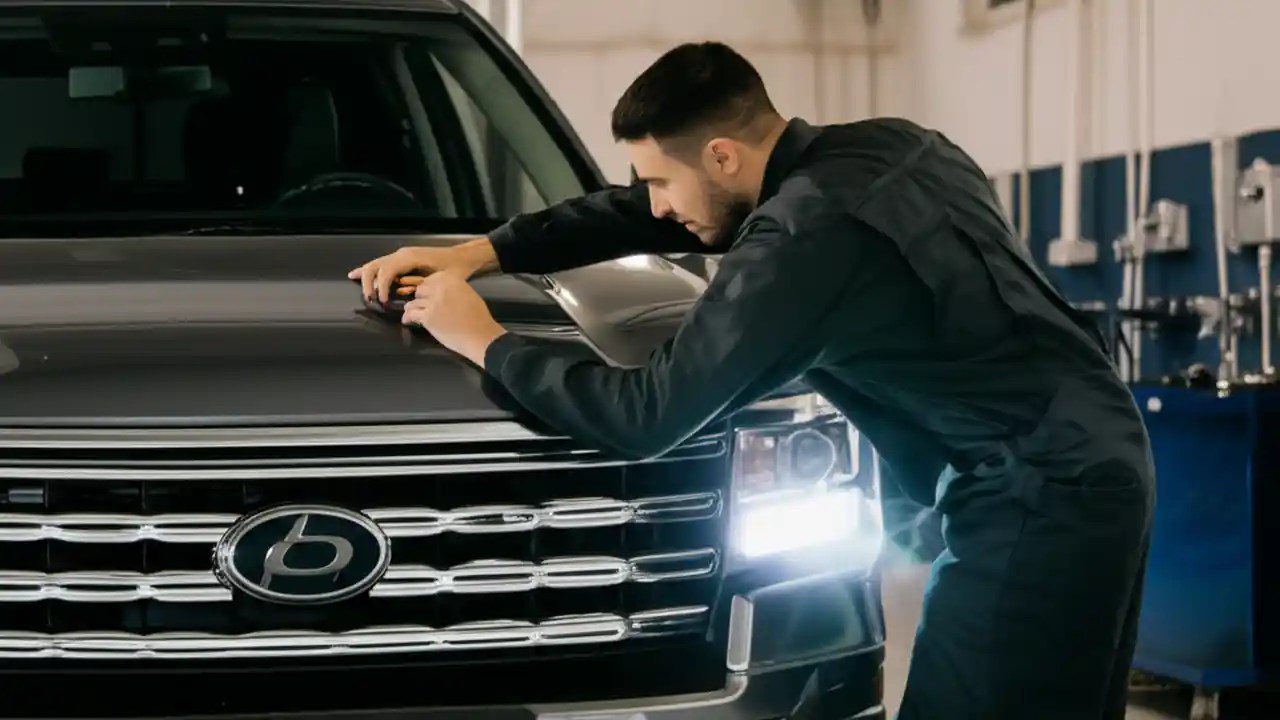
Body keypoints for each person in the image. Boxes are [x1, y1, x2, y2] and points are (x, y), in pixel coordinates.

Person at [349, 42, 1155, 719]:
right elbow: (646, 211)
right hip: (1101, 455)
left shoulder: (806, 239)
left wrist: (484, 338)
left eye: (661, 181)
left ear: (723, 155)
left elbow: (649, 413)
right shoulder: (897, 145)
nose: (657, 207)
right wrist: (484, 252)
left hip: (1034, 497)